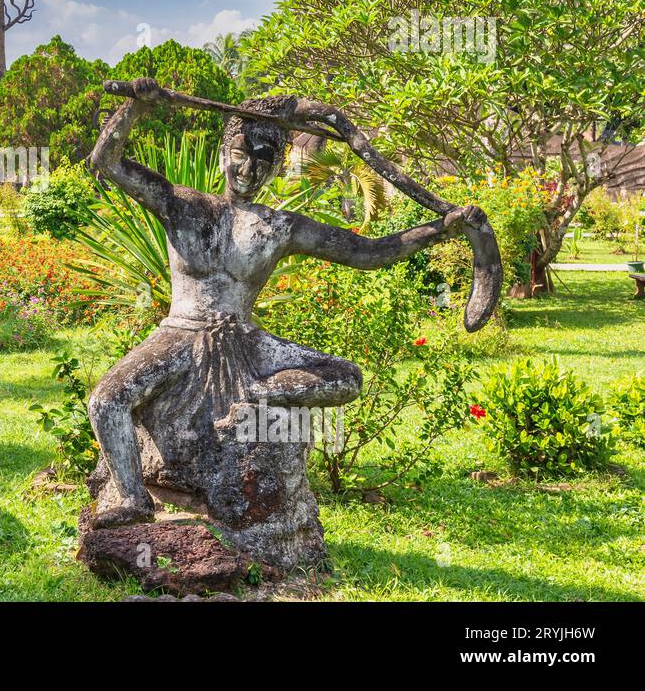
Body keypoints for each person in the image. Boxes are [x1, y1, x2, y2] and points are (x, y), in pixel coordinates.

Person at [86, 77, 485, 528]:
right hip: (180, 333)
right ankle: (134, 498)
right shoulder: (180, 204)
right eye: (240, 156)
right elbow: (106, 160)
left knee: (345, 378)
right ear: (223, 155)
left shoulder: (279, 226)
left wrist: (441, 227)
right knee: (106, 399)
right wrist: (136, 108)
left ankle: (255, 394)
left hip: (245, 341)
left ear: (276, 169)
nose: (248, 171)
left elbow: (370, 253)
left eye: (263, 162)